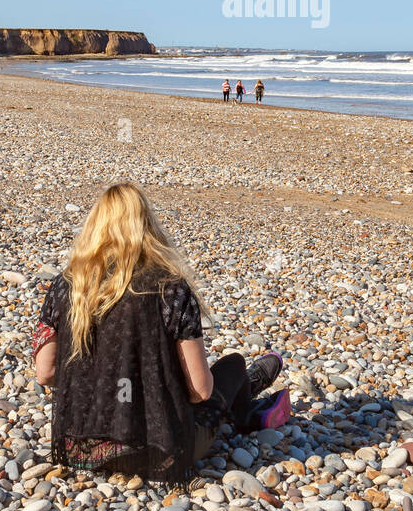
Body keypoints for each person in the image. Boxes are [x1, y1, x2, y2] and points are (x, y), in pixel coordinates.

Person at [32, 182, 290, 486]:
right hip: (160, 452)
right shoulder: (171, 289)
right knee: (231, 367)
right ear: (146, 227)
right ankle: (246, 402)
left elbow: (45, 373)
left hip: (81, 449)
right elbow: (200, 391)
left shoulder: (65, 286)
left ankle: (247, 403)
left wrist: (100, 386)